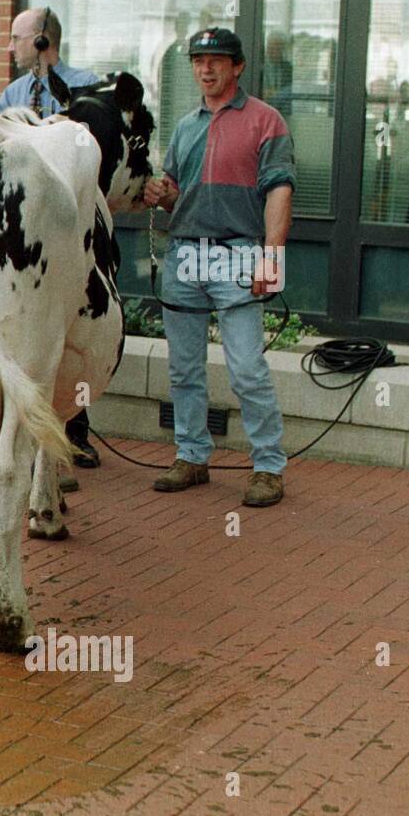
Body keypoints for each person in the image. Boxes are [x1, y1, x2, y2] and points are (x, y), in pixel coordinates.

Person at [143, 27, 295, 508]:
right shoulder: (185, 126)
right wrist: (163, 195)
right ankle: (191, 456)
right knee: (184, 368)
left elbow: (279, 191)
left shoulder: (266, 121)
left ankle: (268, 466)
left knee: (247, 368)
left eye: (216, 60)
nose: (205, 69)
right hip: (185, 253)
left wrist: (272, 256)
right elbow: (174, 193)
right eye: (197, 61)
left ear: (238, 66)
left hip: (240, 254)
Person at [0, 6, 103, 472]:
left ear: (42, 40)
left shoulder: (85, 87)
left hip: (74, 226)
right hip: (25, 236)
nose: (11, 46)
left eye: (18, 38)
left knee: (76, 325)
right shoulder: (11, 95)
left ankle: (75, 434)